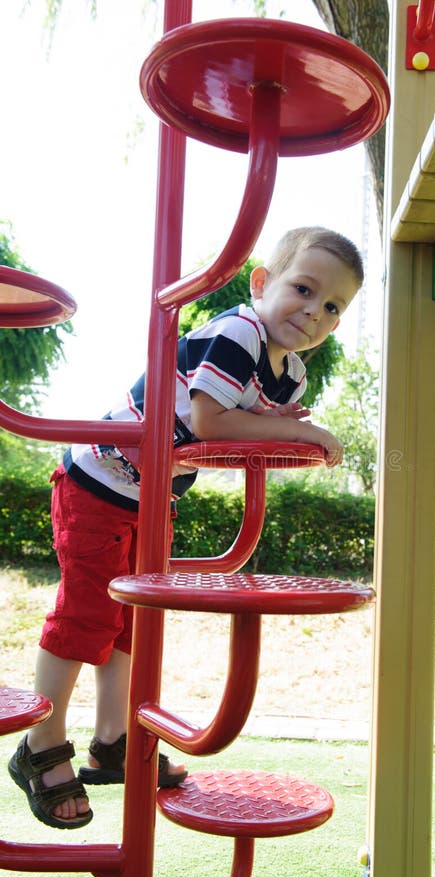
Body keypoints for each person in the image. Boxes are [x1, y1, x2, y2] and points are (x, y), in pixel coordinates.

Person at [8, 225, 364, 829]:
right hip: (98, 481)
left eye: (333, 306)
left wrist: (279, 420)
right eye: (303, 288)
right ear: (261, 284)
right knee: (87, 614)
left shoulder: (290, 373)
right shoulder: (238, 332)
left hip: (151, 497)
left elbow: (241, 423)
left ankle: (112, 740)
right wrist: (297, 431)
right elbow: (206, 421)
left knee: (133, 620)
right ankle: (41, 745)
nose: (314, 311)